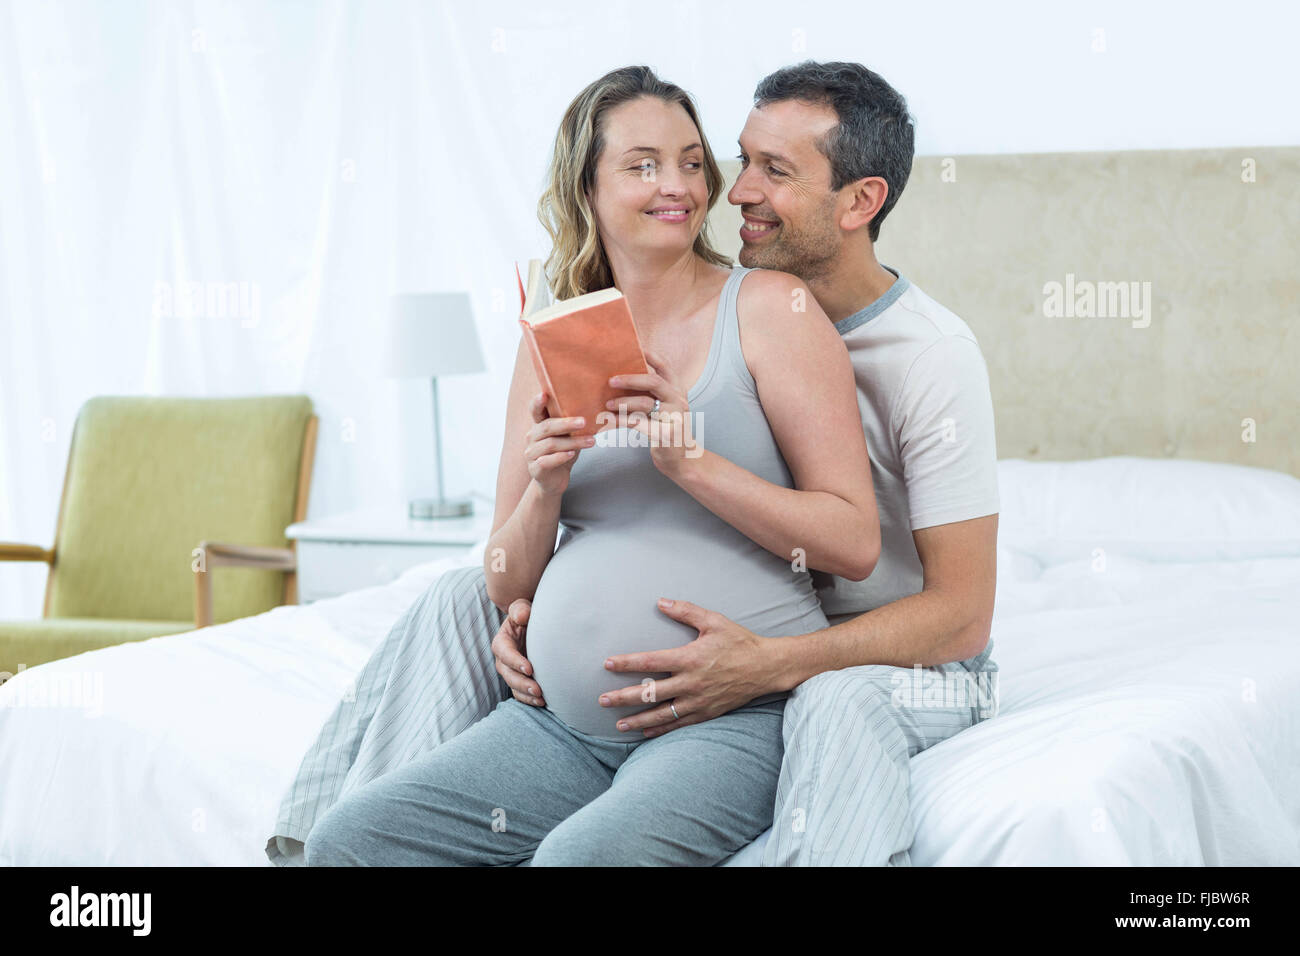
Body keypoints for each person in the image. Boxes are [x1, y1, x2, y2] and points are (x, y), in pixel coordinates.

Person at [271, 60, 1001, 869]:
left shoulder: (820, 322)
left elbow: (929, 590)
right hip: (564, 726)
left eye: (696, 162)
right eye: (651, 164)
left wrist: (695, 473)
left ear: (859, 201)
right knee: (357, 830)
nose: (717, 189)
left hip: (769, 695)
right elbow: (509, 572)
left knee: (586, 854)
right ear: (586, 188)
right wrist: (542, 517)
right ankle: (306, 823)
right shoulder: (554, 338)